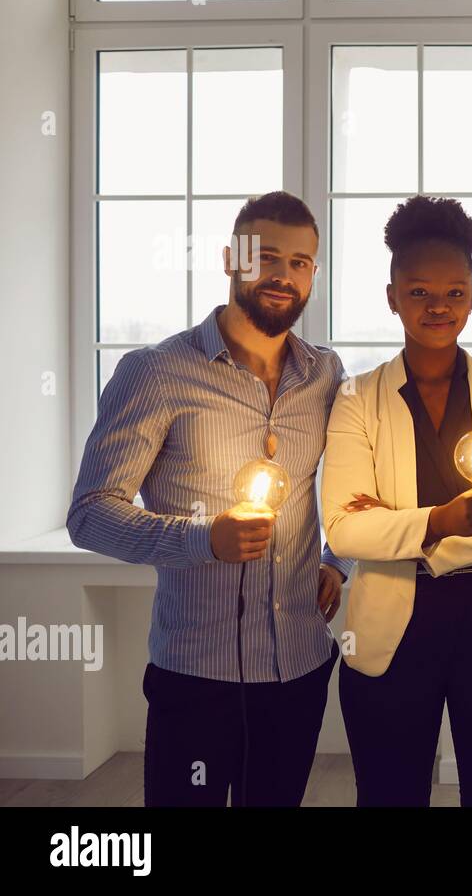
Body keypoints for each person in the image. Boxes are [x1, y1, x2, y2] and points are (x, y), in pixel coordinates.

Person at [68, 191, 351, 807]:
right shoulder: (156, 371)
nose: (283, 275)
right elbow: (89, 512)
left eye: (301, 263)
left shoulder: (326, 376)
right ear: (230, 258)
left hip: (298, 671)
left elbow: (362, 480)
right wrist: (204, 540)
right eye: (266, 257)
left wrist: (337, 560)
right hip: (197, 677)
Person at [321, 196, 472, 807]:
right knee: (390, 794)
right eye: (420, 292)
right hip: (391, 629)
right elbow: (344, 528)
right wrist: (447, 519)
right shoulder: (356, 399)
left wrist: (405, 529)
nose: (438, 307)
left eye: (455, 292)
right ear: (392, 294)